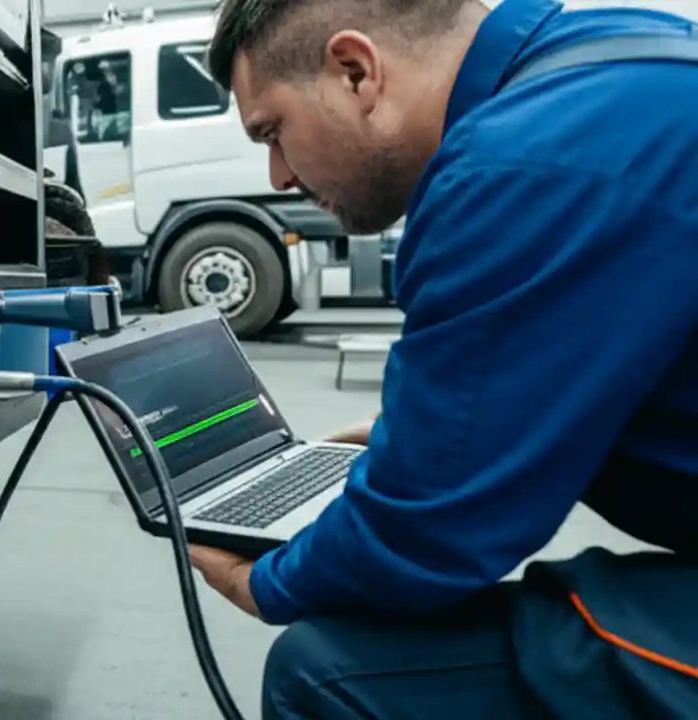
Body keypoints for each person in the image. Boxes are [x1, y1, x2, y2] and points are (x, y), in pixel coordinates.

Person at [185, 0, 698, 717]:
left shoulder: (512, 167)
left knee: (326, 673)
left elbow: (423, 537)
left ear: (355, 72)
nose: (276, 175)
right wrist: (446, 424)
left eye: (273, 130)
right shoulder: (620, 51)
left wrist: (264, 584)